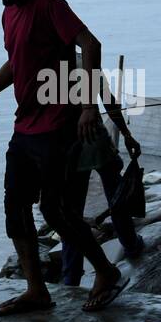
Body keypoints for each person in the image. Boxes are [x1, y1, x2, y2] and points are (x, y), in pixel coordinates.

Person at [0, 0, 127, 314]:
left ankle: (106, 272)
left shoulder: (50, 5)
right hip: (25, 128)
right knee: (15, 210)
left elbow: (90, 44)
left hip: (59, 125)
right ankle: (36, 291)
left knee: (57, 210)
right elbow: (16, 63)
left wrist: (86, 108)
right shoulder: (9, 13)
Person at [59, 75, 145, 287]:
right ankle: (130, 244)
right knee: (117, 199)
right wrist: (126, 133)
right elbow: (110, 102)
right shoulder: (87, 65)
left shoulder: (48, 67)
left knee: (71, 213)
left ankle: (70, 275)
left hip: (70, 149)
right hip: (97, 143)